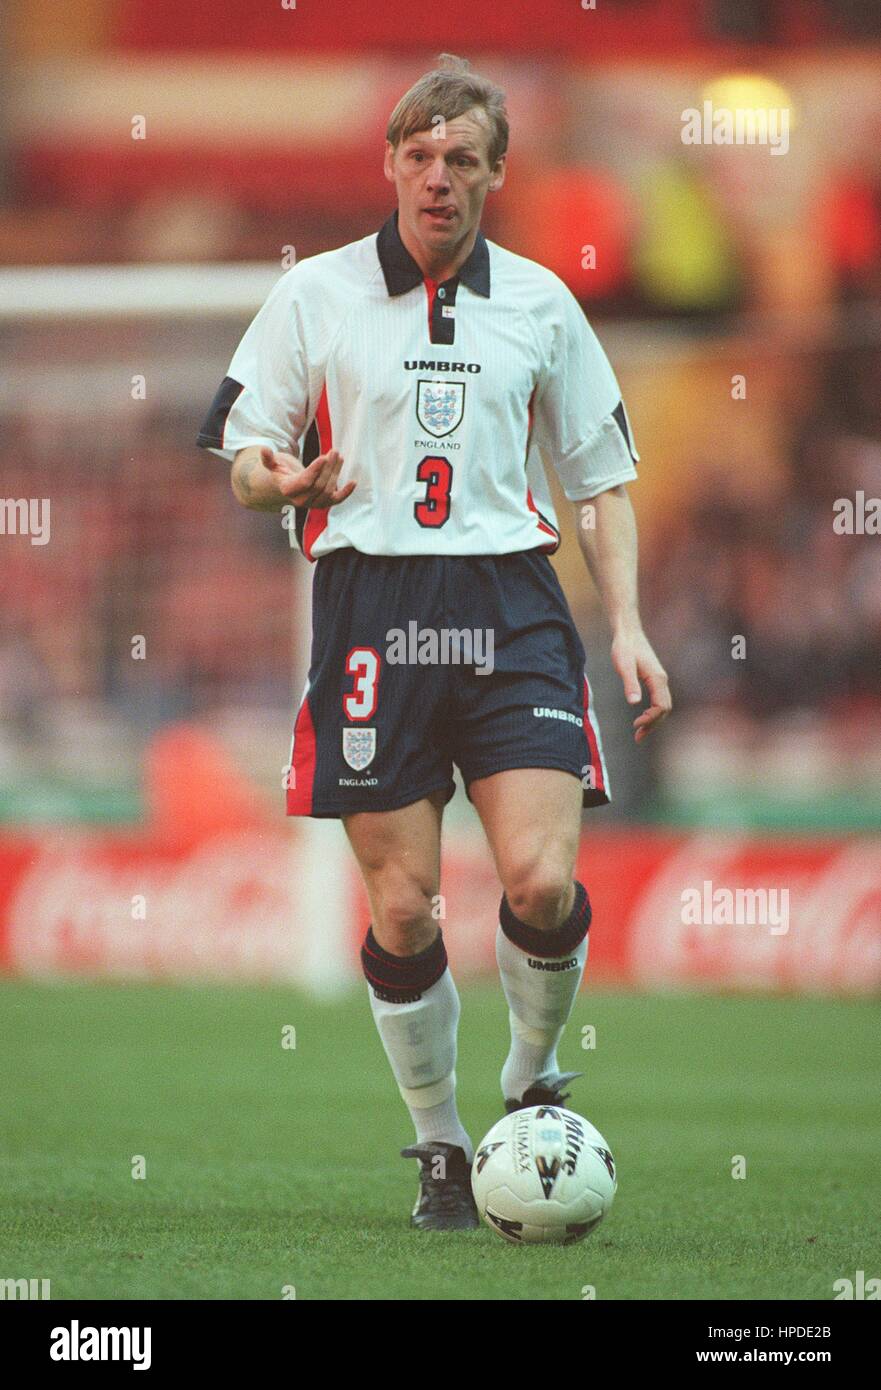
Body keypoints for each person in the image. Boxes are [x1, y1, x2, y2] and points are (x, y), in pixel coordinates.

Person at [198, 54, 671, 1231]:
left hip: (510, 607)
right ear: (391, 166)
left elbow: (600, 481)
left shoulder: (541, 304)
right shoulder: (314, 294)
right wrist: (284, 479)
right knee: (404, 909)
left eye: (462, 158)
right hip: (370, 607)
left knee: (540, 880)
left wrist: (625, 627)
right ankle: (441, 1145)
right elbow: (242, 451)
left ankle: (525, 1072)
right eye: (418, 155)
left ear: (496, 173)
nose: (438, 178)